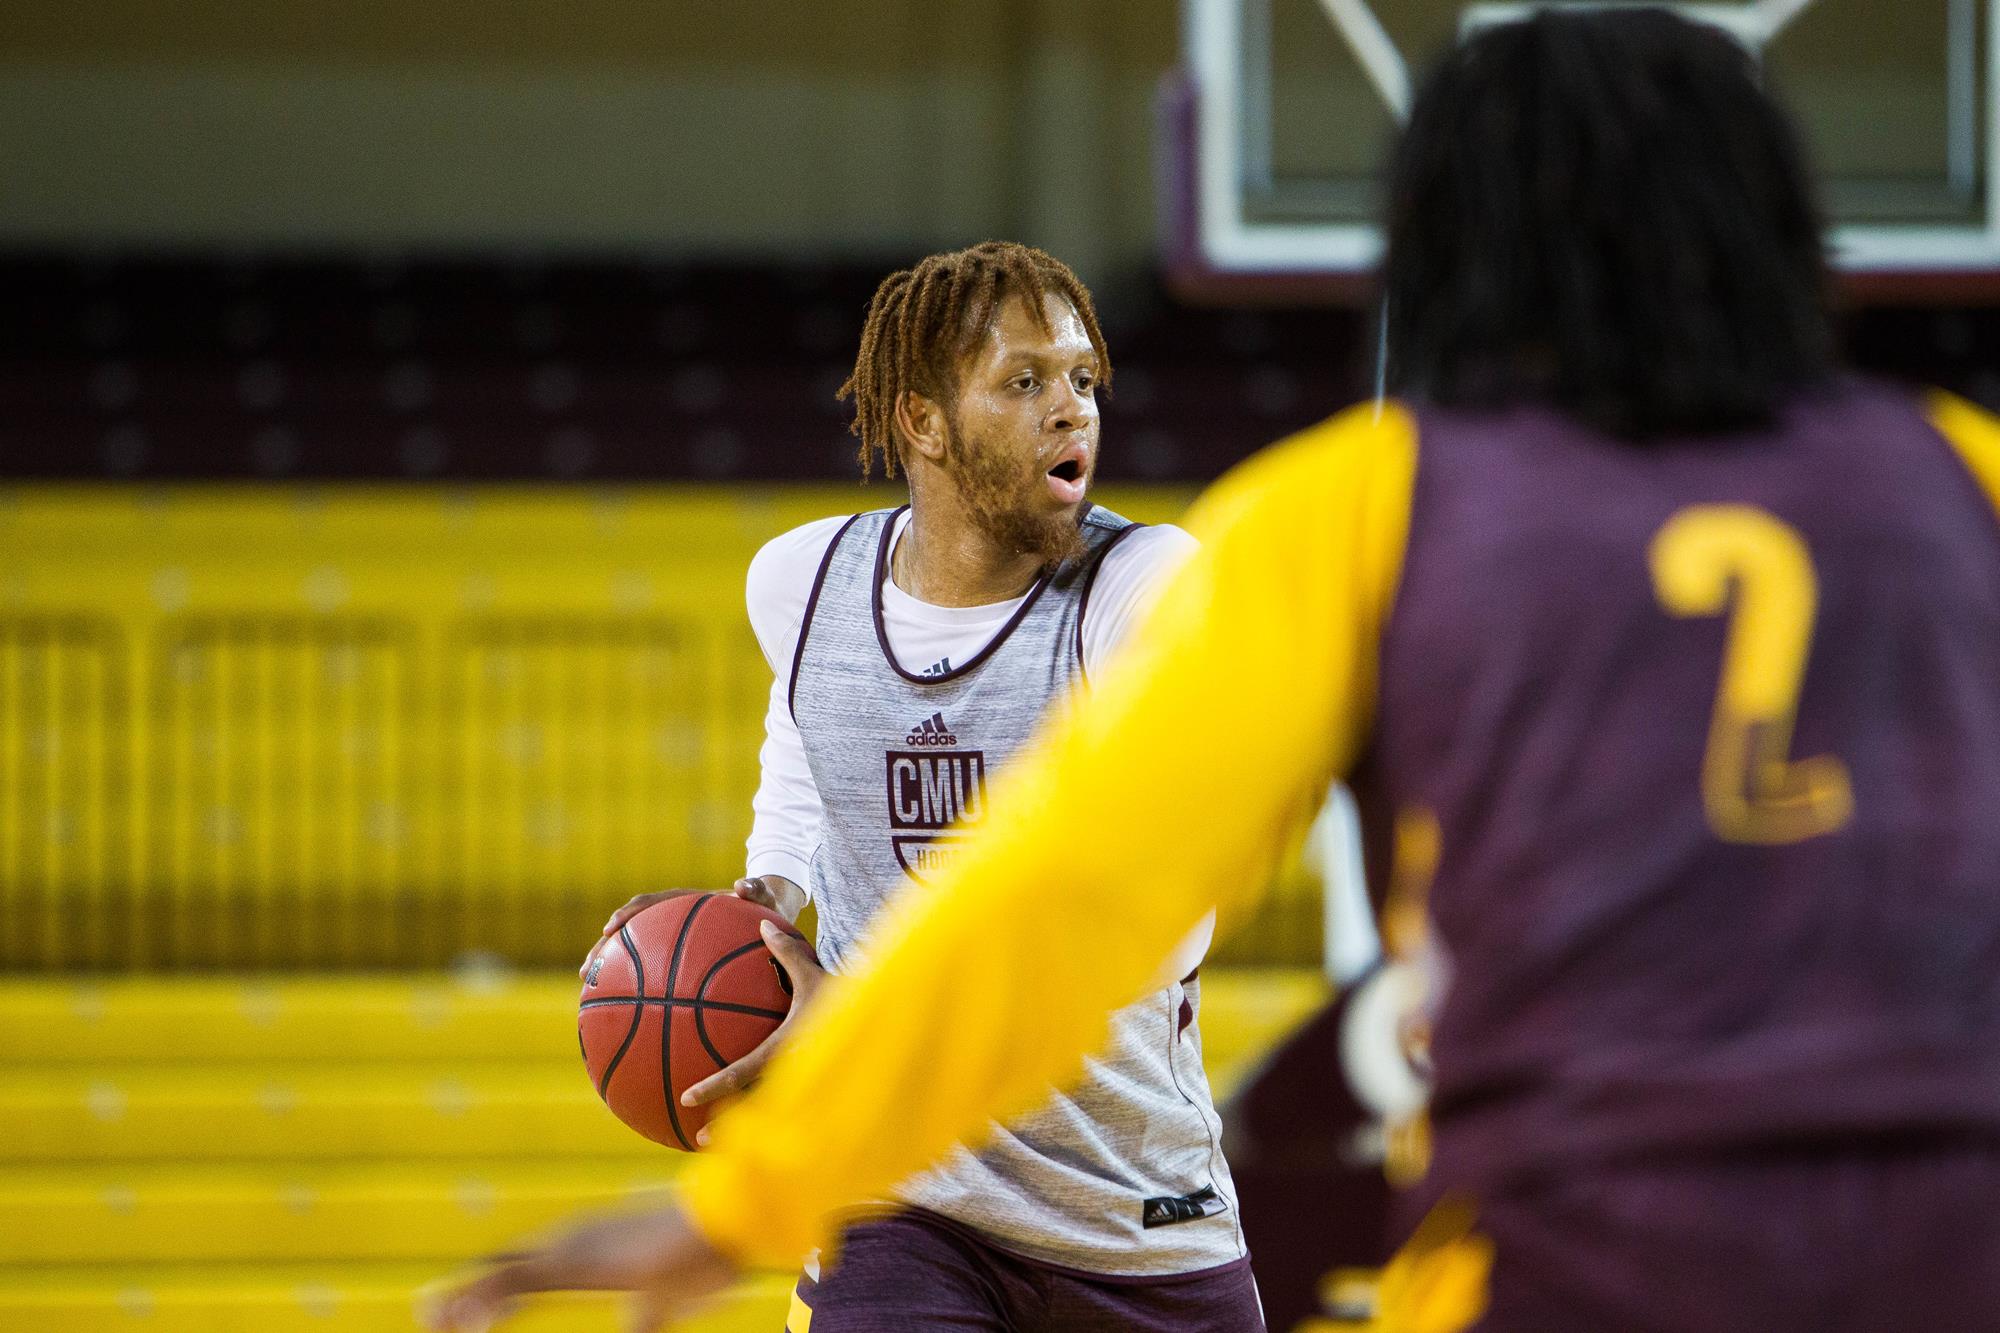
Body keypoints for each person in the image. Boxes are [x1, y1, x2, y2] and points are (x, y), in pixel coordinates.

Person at [429, 12, 2000, 1331]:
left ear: (1458, 244)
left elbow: (1073, 889)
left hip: (1580, 1250)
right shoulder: (1963, 479)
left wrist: (752, 1199)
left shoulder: (1370, 505)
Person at [575, 240, 1261, 1331]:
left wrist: (868, 1013)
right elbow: (807, 730)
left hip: (1129, 1206)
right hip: (904, 1205)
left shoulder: (1140, 591)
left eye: (1083, 379)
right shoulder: (798, 583)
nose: (1071, 409)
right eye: (1024, 380)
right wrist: (772, 886)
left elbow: (1162, 928)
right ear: (922, 423)